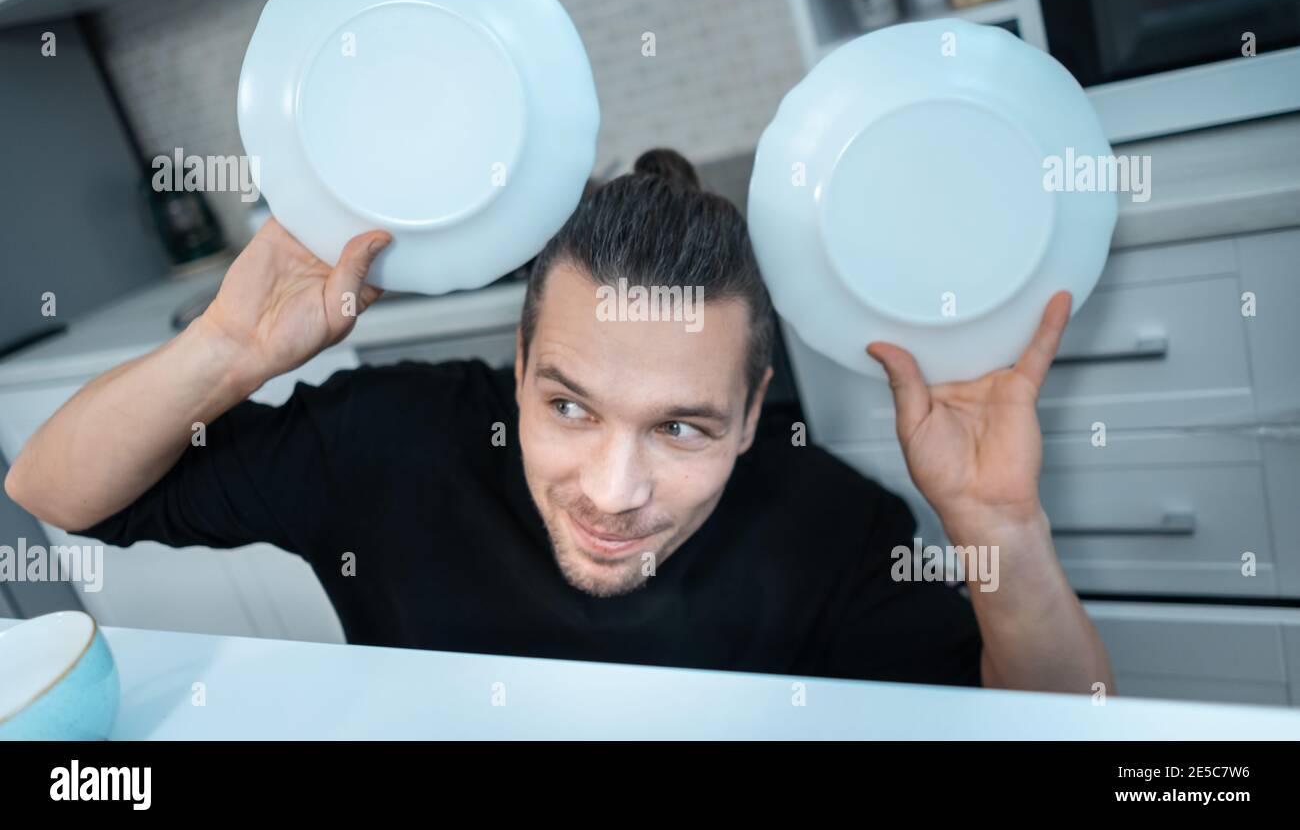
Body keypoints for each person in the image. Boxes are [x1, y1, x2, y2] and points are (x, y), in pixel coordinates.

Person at [5, 148, 1112, 692]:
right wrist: (225, 349)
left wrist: (1001, 530)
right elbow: (53, 490)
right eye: (569, 405)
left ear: (750, 413)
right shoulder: (394, 441)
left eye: (681, 427)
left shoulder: (833, 527)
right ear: (519, 364)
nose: (614, 489)